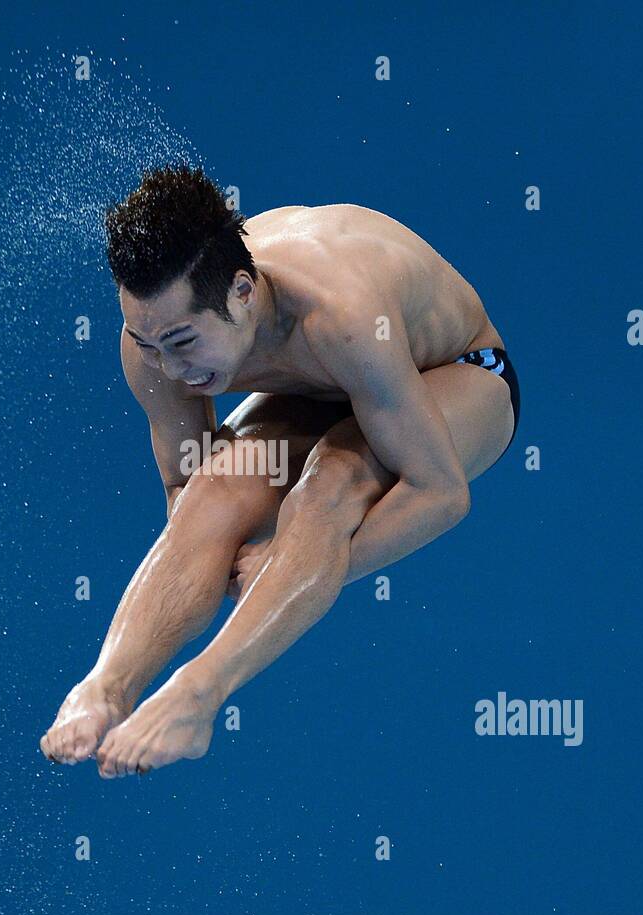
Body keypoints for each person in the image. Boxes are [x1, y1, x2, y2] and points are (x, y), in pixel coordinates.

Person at [40, 164, 520, 777]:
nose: (169, 367)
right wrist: (214, 548)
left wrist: (287, 558)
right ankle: (106, 684)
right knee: (210, 489)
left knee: (330, 485)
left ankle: (198, 696)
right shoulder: (151, 349)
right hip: (319, 390)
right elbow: (184, 496)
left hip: (456, 373)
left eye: (184, 342)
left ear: (243, 292)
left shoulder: (342, 314)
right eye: (149, 341)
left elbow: (439, 494)